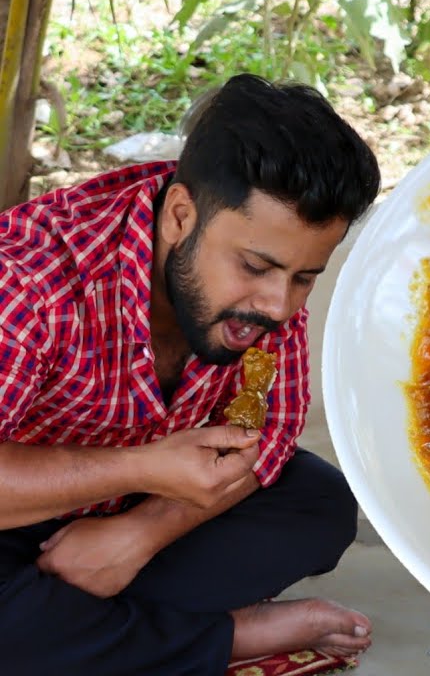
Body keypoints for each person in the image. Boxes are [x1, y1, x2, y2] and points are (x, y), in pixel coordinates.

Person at [0, 73, 381, 676]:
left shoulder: (268, 292)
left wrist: (142, 532)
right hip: (22, 511)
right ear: (181, 215)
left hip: (146, 499)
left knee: (320, 507)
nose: (280, 306)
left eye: (305, 277)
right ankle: (229, 638)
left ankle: (92, 638)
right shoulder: (32, 280)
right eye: (256, 266)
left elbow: (272, 434)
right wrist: (140, 467)